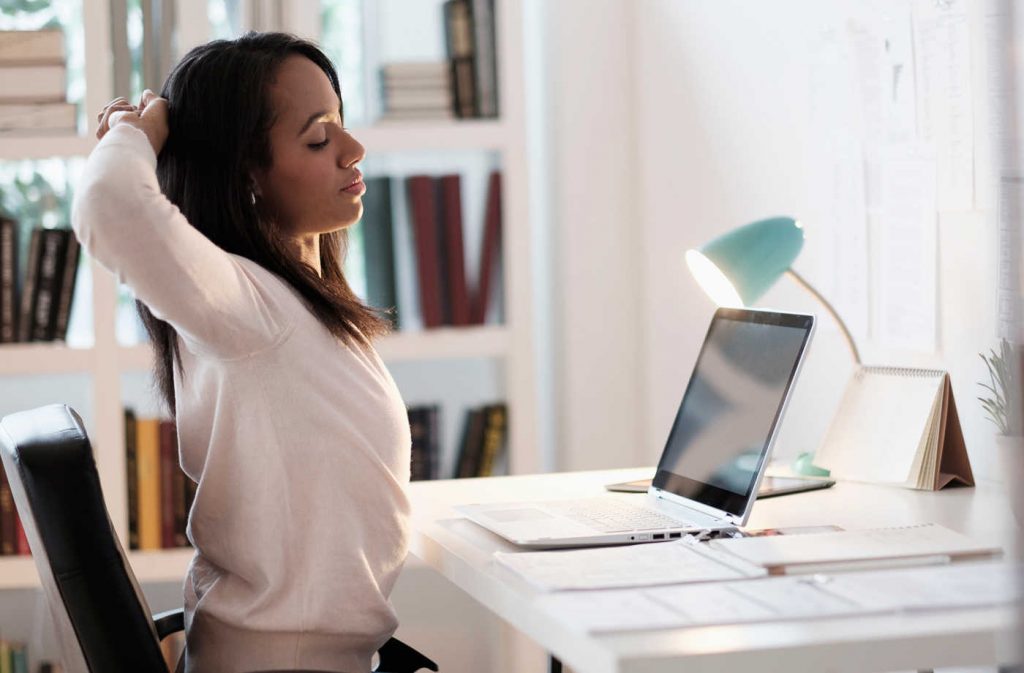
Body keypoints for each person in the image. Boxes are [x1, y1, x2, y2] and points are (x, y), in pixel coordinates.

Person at [72, 32, 411, 673]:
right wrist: (134, 134)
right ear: (245, 174)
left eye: (341, 125)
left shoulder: (290, 305)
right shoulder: (249, 310)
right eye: (318, 139)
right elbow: (110, 205)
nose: (354, 150)